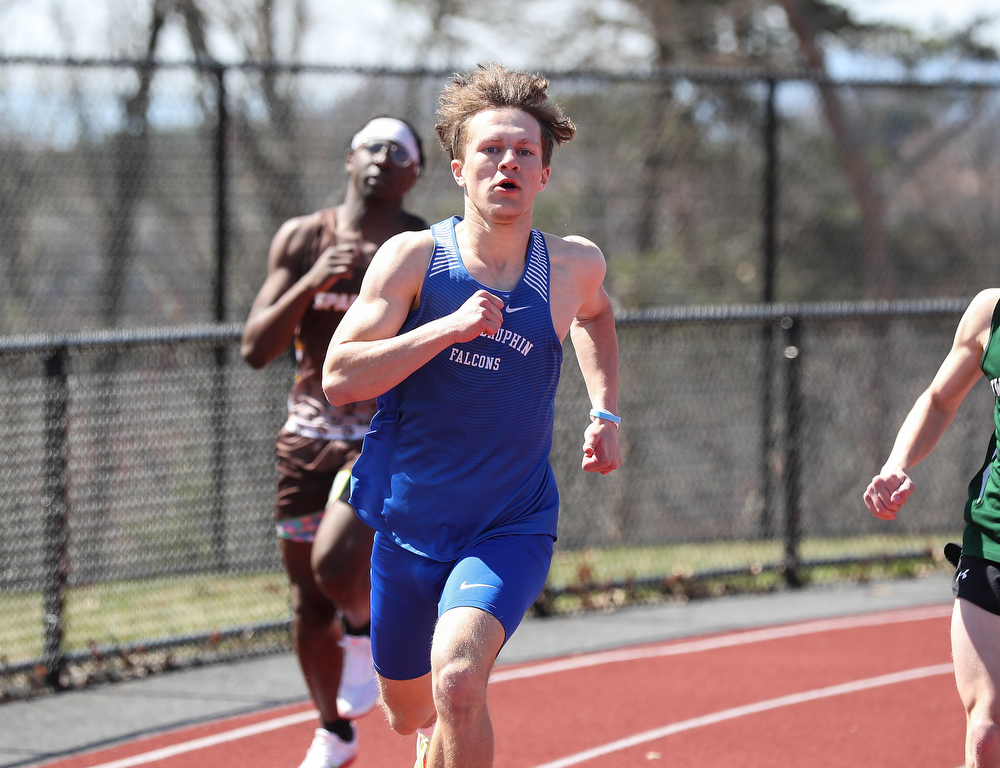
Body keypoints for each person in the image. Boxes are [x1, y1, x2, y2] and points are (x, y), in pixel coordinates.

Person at [322, 63, 622, 768]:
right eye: (491, 149)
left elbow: (597, 318)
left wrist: (605, 411)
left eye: (524, 151)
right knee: (409, 712)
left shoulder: (572, 267)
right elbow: (339, 377)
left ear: (544, 174)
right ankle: (433, 739)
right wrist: (444, 330)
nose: (507, 162)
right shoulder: (413, 260)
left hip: (509, 523)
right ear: (460, 169)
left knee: (458, 679)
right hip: (409, 526)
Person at [241, 116, 427, 768]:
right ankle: (333, 731)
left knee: (336, 565)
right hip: (304, 441)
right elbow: (255, 348)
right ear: (350, 158)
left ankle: (364, 627)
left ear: (415, 173)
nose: (382, 159)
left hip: (379, 437)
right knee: (306, 599)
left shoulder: (423, 246)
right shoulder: (303, 238)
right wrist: (313, 280)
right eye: (372, 146)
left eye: (398, 152)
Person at [864, 288, 1000, 768]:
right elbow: (940, 400)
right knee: (985, 735)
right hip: (991, 538)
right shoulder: (990, 313)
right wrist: (896, 464)